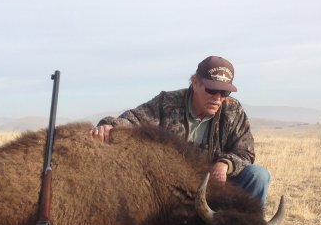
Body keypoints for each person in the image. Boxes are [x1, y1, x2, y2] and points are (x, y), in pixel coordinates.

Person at [90, 56, 270, 205]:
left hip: (217, 184)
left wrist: (225, 164)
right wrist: (111, 126)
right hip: (174, 187)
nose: (218, 97)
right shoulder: (167, 102)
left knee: (258, 176)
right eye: (212, 89)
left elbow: (245, 151)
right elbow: (135, 119)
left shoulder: (233, 110)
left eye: (224, 92)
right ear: (195, 83)